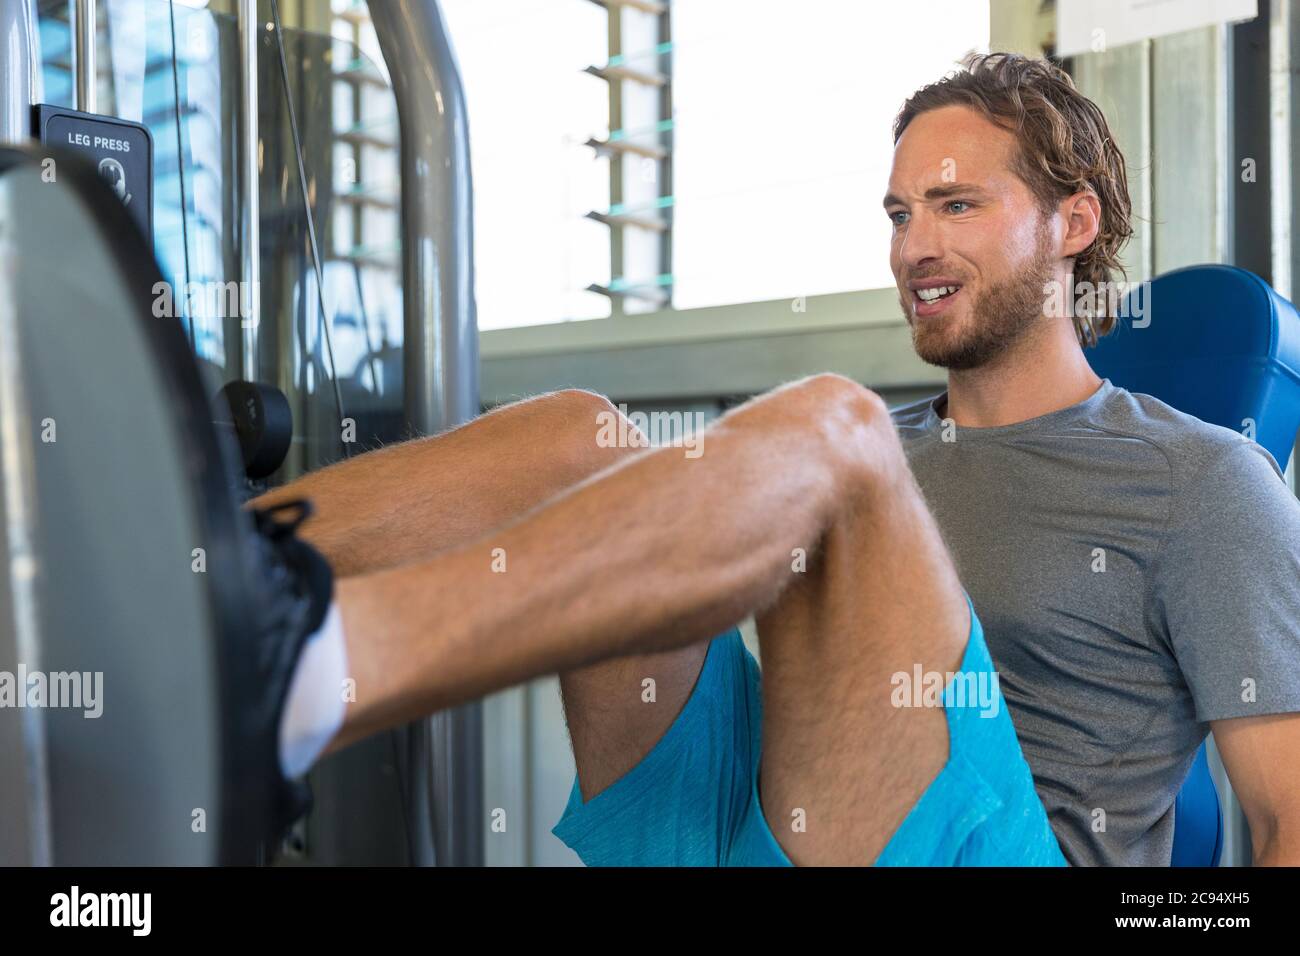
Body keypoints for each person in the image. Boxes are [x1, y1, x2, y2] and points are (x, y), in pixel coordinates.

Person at [254, 53, 1300, 866]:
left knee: (831, 435)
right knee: (584, 435)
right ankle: (206, 582)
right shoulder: (881, 453)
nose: (912, 246)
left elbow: (1283, 817)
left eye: (956, 205)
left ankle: (297, 670)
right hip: (777, 816)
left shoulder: (1201, 479)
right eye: (900, 213)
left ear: (1072, 222)